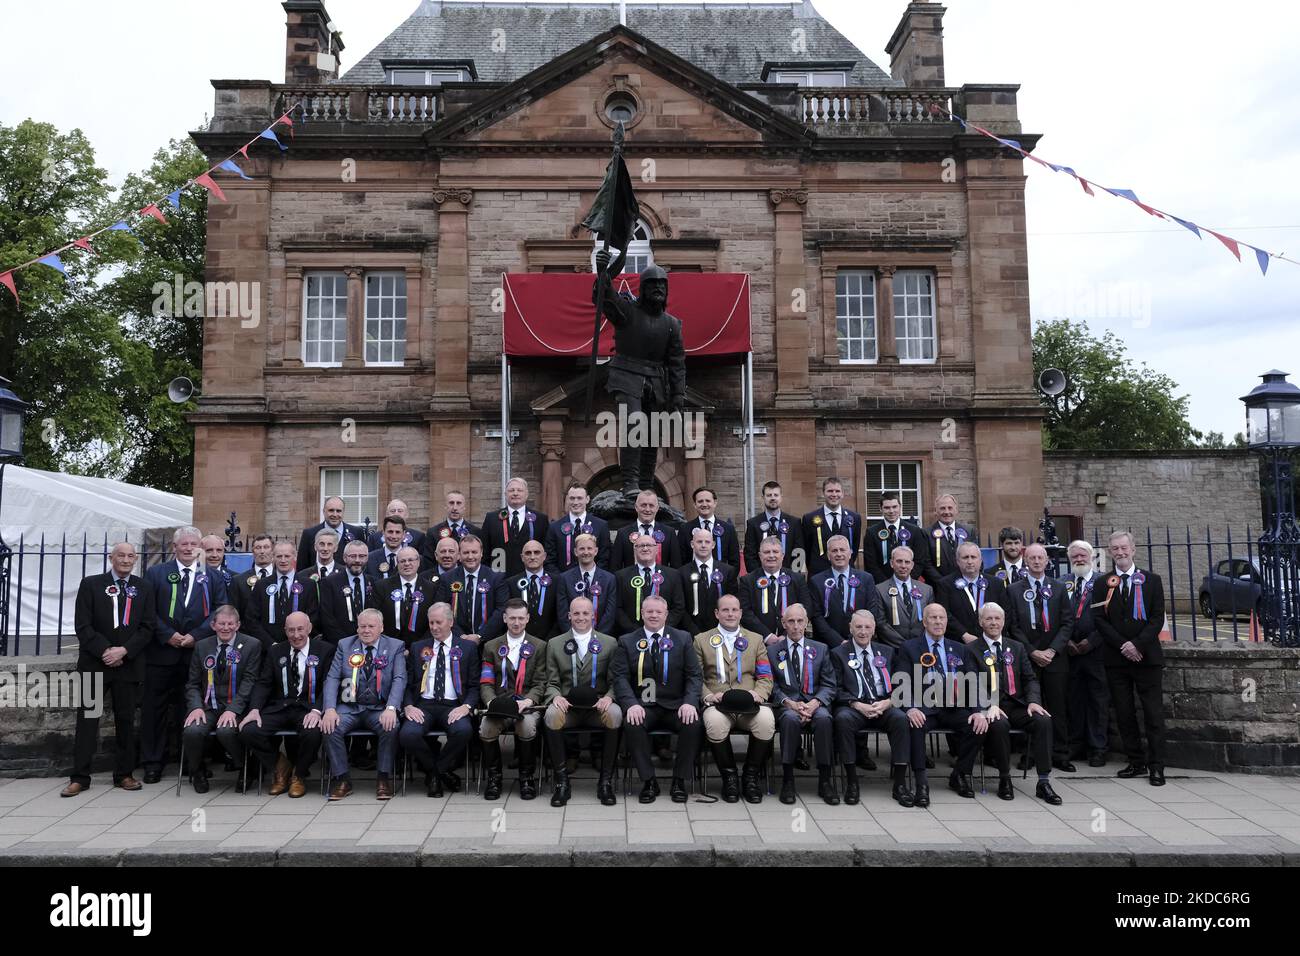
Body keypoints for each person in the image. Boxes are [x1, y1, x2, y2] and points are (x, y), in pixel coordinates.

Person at [592, 248, 686, 497]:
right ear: (642, 288)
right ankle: (631, 482)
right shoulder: (627, 311)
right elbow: (605, 297)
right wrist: (605, 271)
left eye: (662, 285)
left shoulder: (672, 324)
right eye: (652, 285)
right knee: (634, 422)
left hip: (656, 382)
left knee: (652, 432)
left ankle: (645, 483)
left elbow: (677, 363)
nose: (658, 289)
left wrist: (677, 399)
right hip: (626, 374)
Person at [63, 542, 156, 797]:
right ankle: (80, 777)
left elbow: (148, 627)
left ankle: (124, 774)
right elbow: (83, 625)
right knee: (87, 720)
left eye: (130, 556)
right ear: (111, 558)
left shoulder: (144, 587)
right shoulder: (91, 584)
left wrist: (123, 651)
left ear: (135, 559)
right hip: (95, 664)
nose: (126, 560)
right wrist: (106, 651)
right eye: (121, 555)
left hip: (128, 666)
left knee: (125, 721)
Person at [141, 526, 228, 784]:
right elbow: (147, 610)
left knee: (192, 710)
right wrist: (168, 634)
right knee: (154, 711)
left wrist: (197, 636)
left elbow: (220, 610)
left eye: (194, 544)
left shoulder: (211, 576)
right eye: (184, 544)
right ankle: (153, 763)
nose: (189, 548)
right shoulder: (156, 573)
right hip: (161, 653)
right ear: (175, 547)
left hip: (196, 655)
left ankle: (192, 763)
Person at [610, 594, 702, 803]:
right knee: (632, 724)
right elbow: (620, 677)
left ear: (666, 614)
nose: (653, 615)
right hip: (643, 706)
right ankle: (649, 781)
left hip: (675, 705)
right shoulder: (627, 641)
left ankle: (679, 781)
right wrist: (631, 705)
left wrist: (689, 702)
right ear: (642, 614)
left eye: (658, 612)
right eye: (649, 611)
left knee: (693, 723)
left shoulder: (683, 638)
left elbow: (694, 675)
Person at [970, 603, 1062, 804]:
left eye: (997, 619)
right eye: (989, 619)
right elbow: (971, 681)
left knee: (1043, 721)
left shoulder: (1017, 647)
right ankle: (1005, 778)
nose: (993, 622)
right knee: (999, 724)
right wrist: (988, 704)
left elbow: (1030, 679)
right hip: (991, 707)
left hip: (1018, 705)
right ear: (980, 622)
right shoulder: (972, 649)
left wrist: (1033, 702)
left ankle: (1044, 781)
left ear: (1003, 622)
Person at [1096, 531, 1167, 786]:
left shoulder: (1152, 580)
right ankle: (1136, 762)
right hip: (1117, 659)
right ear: (1110, 551)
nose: (1120, 552)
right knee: (1124, 714)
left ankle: (1157, 766)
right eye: (1115, 549)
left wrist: (1137, 644)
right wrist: (1123, 645)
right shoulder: (1103, 583)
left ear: (1133, 549)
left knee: (1153, 714)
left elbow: (1157, 618)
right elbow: (1099, 620)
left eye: (1124, 548)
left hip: (1147, 658)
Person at [239, 611, 335, 797]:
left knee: (313, 732)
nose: (296, 635)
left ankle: (299, 775)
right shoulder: (276, 651)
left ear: (309, 628)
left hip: (309, 707)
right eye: (291, 630)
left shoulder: (325, 650)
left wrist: (317, 710)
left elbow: (329, 684)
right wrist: (254, 709)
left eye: (300, 629)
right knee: (248, 729)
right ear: (285, 631)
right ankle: (280, 766)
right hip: (280, 707)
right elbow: (264, 682)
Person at [897, 604, 984, 807]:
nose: (938, 622)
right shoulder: (910, 647)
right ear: (925, 622)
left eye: (942, 618)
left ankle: (959, 774)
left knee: (978, 726)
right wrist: (910, 707)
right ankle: (921, 783)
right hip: (924, 707)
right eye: (933, 618)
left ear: (946, 621)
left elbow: (973, 681)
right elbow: (901, 682)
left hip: (953, 707)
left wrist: (978, 711)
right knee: (916, 725)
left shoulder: (960, 649)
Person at [693, 595, 774, 804]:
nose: (730, 614)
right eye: (725, 610)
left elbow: (765, 676)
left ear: (740, 613)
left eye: (734, 610)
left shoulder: (755, 639)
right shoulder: (701, 640)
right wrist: (708, 695)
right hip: (718, 704)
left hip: (750, 704)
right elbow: (695, 677)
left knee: (766, 721)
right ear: (716, 614)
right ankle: (729, 777)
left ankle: (750, 777)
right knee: (715, 723)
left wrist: (760, 693)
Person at [543, 596, 622, 807]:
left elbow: (617, 680)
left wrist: (609, 697)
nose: (581, 617)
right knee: (551, 715)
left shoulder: (609, 643)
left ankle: (605, 783)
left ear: (593, 616)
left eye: (585, 613)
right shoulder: (555, 643)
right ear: (569, 616)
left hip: (598, 706)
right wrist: (555, 696)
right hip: (569, 707)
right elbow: (551, 681)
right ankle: (562, 783)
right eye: (576, 613)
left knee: (615, 714)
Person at [321, 609, 407, 800]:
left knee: (391, 727)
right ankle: (342, 779)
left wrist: (392, 708)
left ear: (381, 628)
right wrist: (329, 709)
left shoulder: (395, 646)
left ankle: (383, 778)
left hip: (380, 708)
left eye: (371, 626)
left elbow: (399, 679)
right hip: (350, 707)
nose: (366, 630)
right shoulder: (345, 645)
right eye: (362, 626)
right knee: (329, 727)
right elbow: (333, 678)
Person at [829, 610, 913, 806]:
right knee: (842, 720)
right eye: (858, 627)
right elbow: (835, 688)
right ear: (850, 628)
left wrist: (889, 702)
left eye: (867, 627)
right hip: (853, 705)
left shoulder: (887, 652)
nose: (863, 631)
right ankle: (851, 782)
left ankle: (900, 784)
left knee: (901, 719)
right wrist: (857, 704)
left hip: (882, 704)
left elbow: (901, 684)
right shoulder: (837, 654)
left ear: (874, 629)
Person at [1007, 543, 1074, 772]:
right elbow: (1013, 626)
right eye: (1032, 558)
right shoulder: (1014, 590)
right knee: (1031, 707)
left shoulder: (1058, 587)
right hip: (1028, 658)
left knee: (1058, 706)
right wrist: (1032, 652)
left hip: (1055, 658)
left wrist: (1052, 650)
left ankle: (1061, 753)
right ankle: (1031, 753)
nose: (1036, 561)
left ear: (1047, 561)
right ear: (1026, 561)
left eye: (1041, 558)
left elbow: (1067, 622)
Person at [401, 603, 479, 797]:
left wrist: (466, 706)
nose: (434, 627)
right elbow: (408, 683)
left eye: (439, 622)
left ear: (450, 622)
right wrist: (409, 706)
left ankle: (435, 774)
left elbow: (475, 685)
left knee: (463, 730)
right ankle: (440, 773)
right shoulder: (419, 647)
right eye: (431, 623)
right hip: (424, 704)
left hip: (453, 705)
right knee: (408, 734)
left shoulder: (467, 648)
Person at [181, 605, 262, 793]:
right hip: (207, 706)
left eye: (230, 624)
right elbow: (192, 683)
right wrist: (195, 707)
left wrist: (233, 710)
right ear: (213, 625)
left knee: (226, 731)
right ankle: (198, 770)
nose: (226, 628)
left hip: (237, 707)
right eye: (222, 624)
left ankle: (246, 767)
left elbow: (250, 681)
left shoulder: (252, 645)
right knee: (192, 730)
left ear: (238, 625)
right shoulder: (202, 646)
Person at [768, 604, 838, 805]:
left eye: (800, 621)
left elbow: (829, 683)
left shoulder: (821, 649)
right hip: (787, 706)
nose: (796, 626)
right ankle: (788, 780)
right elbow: (770, 684)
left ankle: (825, 780)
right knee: (789, 720)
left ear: (807, 623)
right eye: (791, 621)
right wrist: (789, 703)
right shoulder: (772, 651)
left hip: (816, 704)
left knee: (825, 720)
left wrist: (815, 703)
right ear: (783, 624)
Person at [478, 599, 547, 800]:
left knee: (526, 727)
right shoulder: (491, 646)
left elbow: (541, 682)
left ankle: (526, 778)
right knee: (486, 727)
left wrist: (529, 701)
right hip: (500, 704)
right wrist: (491, 702)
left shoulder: (540, 646)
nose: (516, 623)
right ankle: (494, 778)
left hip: (526, 705)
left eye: (520, 618)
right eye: (512, 618)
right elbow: (486, 682)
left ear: (527, 619)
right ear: (505, 618)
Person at [1064, 539, 1109, 767]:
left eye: (1083, 555)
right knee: (1074, 700)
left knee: (1097, 701)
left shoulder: (1103, 583)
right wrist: (1068, 641)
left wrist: (1091, 642)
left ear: (1091, 558)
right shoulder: (1063, 583)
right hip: (1070, 652)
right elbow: (1059, 616)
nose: (1079, 559)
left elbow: (1109, 617)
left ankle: (1097, 747)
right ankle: (1075, 744)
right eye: (1075, 556)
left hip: (1096, 652)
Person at [809, 534, 883, 648]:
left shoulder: (866, 578)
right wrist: (838, 641)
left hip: (860, 643)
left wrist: (855, 639)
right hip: (828, 645)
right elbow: (816, 616)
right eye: (834, 551)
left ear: (850, 553)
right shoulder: (816, 581)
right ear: (828, 555)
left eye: (842, 550)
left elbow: (872, 611)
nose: (839, 554)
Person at [431, 535, 509, 642]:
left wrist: (480, 636)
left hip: (489, 642)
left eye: (474, 552)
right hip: (456, 641)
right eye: (466, 552)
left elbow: (501, 610)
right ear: (459, 555)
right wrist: (461, 636)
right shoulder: (447, 578)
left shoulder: (496, 578)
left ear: (481, 553)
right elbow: (441, 610)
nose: (470, 556)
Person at [738, 537, 813, 643]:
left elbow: (807, 609)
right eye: (767, 552)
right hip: (758, 642)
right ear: (760, 556)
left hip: (791, 640)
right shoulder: (747, 581)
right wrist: (767, 636)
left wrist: (786, 635)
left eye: (775, 552)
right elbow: (745, 612)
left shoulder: (797, 579)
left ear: (782, 556)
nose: (771, 555)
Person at [246, 541, 317, 648]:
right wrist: (270, 643)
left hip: (299, 645)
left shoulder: (308, 585)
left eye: (287, 556)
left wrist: (297, 640)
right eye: (279, 556)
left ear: (294, 556)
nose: (283, 560)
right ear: (273, 557)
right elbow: (252, 619)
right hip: (268, 649)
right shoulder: (261, 585)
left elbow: (313, 617)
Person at [938, 540, 1010, 645]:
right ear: (957, 561)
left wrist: (991, 636)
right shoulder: (945, 584)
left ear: (980, 560)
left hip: (992, 642)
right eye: (965, 557)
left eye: (973, 557)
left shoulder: (996, 584)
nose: (970, 561)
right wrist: (964, 635)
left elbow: (1006, 613)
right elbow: (944, 614)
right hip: (959, 643)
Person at [615, 534, 685, 633]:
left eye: (649, 545)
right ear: (635, 550)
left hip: (664, 634)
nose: (645, 548)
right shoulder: (621, 576)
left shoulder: (673, 575)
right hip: (631, 635)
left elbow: (678, 607)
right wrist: (636, 631)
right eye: (641, 546)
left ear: (656, 550)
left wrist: (660, 628)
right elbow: (618, 609)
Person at [480, 477, 549, 577]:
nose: (515, 493)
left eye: (519, 490)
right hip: (499, 577)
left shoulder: (540, 519)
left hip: (529, 576)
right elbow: (485, 551)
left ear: (526, 494)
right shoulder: (492, 518)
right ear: (505, 494)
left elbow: (545, 551)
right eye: (511, 490)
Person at [678, 526, 739, 636]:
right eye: (699, 542)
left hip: (721, 632)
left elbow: (732, 602)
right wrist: (694, 633)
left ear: (713, 545)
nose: (703, 545)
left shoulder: (727, 571)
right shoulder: (681, 573)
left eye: (707, 542)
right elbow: (681, 607)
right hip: (692, 634)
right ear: (692, 544)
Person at [557, 533, 618, 635]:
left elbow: (610, 613)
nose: (586, 552)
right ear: (575, 552)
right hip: (572, 636)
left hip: (601, 636)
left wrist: (598, 636)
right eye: (582, 549)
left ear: (596, 551)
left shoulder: (609, 579)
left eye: (589, 548)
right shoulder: (564, 578)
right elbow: (562, 612)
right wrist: (573, 635)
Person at [544, 481, 611, 572]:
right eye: (572, 498)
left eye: (579, 498)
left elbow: (604, 558)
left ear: (587, 499)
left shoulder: (601, 526)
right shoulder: (554, 527)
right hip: (563, 582)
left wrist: (593, 578)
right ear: (567, 500)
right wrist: (562, 580)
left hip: (593, 582)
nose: (575, 502)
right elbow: (550, 560)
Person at [379, 546, 440, 646]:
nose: (407, 564)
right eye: (402, 561)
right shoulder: (382, 587)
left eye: (411, 560)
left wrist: (418, 646)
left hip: (421, 647)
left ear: (418, 562)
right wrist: (391, 645)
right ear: (397, 564)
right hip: (389, 646)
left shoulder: (431, 588)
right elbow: (377, 620)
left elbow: (433, 622)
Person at [873, 546, 932, 648]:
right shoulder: (879, 590)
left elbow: (930, 619)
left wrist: (918, 643)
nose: (903, 566)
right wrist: (905, 645)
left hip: (920, 649)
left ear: (912, 565)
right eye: (899, 561)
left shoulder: (926, 590)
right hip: (893, 649)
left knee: (917, 665)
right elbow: (881, 623)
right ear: (892, 563)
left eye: (907, 562)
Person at [862, 491, 926, 584]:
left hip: (908, 584)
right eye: (887, 508)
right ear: (881, 509)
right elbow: (870, 564)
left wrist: (906, 581)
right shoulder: (871, 532)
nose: (891, 511)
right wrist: (886, 584)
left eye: (894, 507)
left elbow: (919, 561)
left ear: (900, 507)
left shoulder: (914, 531)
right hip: (881, 586)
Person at [802, 477, 862, 576]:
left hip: (846, 573)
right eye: (830, 491)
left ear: (842, 494)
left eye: (837, 491)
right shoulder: (809, 518)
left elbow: (854, 548)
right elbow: (807, 549)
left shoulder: (855, 518)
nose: (834, 494)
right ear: (823, 493)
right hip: (818, 574)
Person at [321, 540, 375, 643]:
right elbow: (327, 618)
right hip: (339, 644)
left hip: (370, 642)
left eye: (362, 556)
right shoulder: (329, 583)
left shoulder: (374, 582)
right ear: (344, 558)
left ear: (367, 558)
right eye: (353, 556)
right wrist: (346, 644)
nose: (357, 560)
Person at [612, 489, 682, 570]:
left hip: (662, 581)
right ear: (636, 507)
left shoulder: (669, 533)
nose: (647, 509)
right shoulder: (623, 533)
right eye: (643, 505)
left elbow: (676, 567)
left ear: (657, 508)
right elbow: (615, 567)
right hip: (631, 581)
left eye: (651, 505)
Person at [743, 480, 804, 572]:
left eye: (776, 495)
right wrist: (758, 576)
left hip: (789, 577)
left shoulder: (794, 523)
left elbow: (798, 552)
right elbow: (749, 555)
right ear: (763, 498)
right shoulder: (753, 524)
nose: (772, 498)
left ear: (781, 497)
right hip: (761, 579)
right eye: (769, 495)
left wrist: (793, 577)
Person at [296, 495, 365, 574]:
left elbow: (363, 562)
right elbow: (302, 567)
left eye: (338, 511)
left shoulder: (357, 533)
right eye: (331, 510)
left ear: (343, 512)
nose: (335, 514)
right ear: (324, 511)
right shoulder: (309, 534)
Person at [677, 486, 740, 570]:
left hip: (721, 579)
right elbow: (680, 560)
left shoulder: (728, 529)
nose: (704, 504)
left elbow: (734, 561)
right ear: (695, 505)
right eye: (700, 501)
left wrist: (728, 579)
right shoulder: (685, 529)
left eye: (708, 501)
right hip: (692, 579)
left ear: (715, 503)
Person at [511, 539, 560, 639]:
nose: (532, 557)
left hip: (550, 641)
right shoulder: (511, 583)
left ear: (544, 556)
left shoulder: (558, 581)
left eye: (536, 553)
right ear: (522, 557)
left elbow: (560, 615)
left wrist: (550, 641)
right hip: (520, 640)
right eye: (528, 553)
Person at [922, 494, 975, 583]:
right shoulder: (925, 533)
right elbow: (926, 564)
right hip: (938, 586)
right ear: (936, 511)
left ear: (956, 510)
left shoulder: (969, 531)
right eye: (942, 508)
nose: (947, 512)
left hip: (965, 584)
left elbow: (975, 558)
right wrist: (944, 582)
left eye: (950, 508)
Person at [422, 490, 480, 566]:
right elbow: (429, 562)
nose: (455, 508)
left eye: (459, 503)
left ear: (464, 507)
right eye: (451, 503)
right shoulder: (433, 532)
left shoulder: (475, 532)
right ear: (445, 506)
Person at [228, 534, 275, 618]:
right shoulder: (238, 581)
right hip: (247, 630)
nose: (262, 551)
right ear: (253, 551)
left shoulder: (281, 578)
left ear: (272, 551)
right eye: (258, 548)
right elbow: (234, 612)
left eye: (266, 547)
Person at [367, 516, 412, 581]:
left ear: (404, 534)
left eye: (397, 532)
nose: (394, 536)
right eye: (390, 532)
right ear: (383, 533)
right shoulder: (370, 559)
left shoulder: (414, 559)